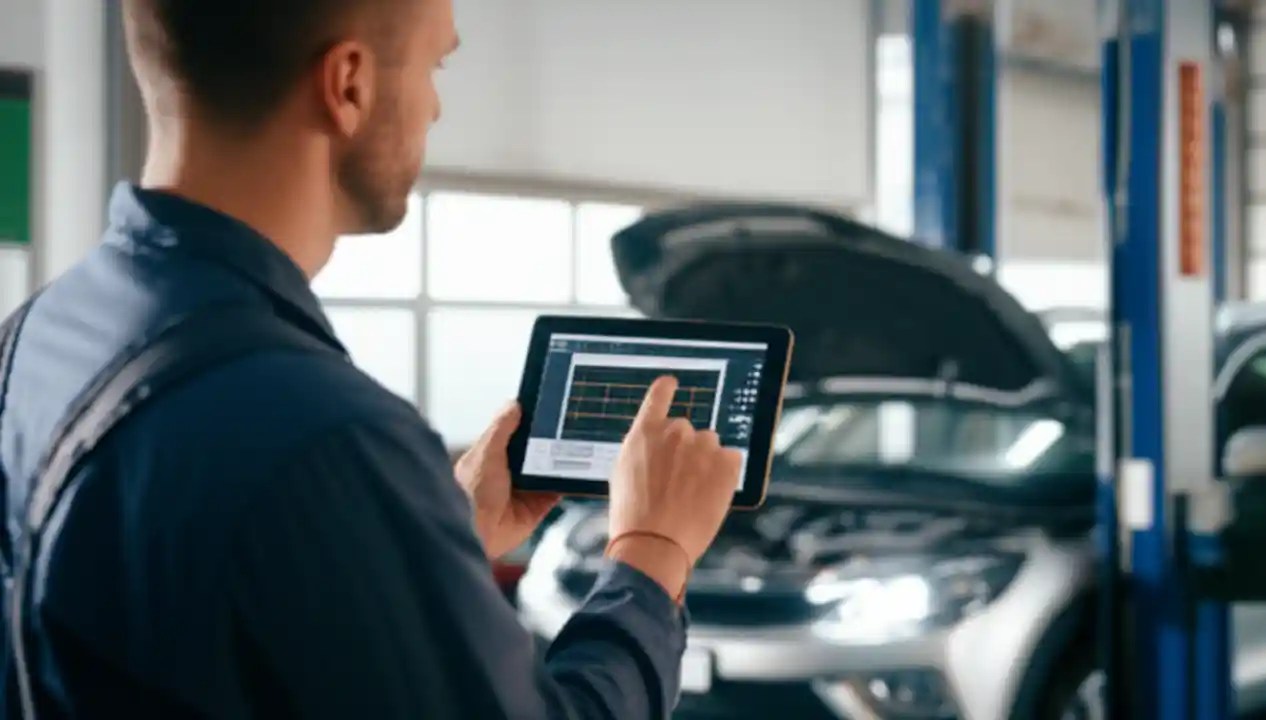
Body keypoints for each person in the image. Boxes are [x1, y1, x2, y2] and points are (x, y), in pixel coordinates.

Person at [0, 0, 742, 717]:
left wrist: (425, 532)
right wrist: (653, 551)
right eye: (435, 66)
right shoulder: (324, 435)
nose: (436, 109)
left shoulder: (37, 336)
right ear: (348, 83)